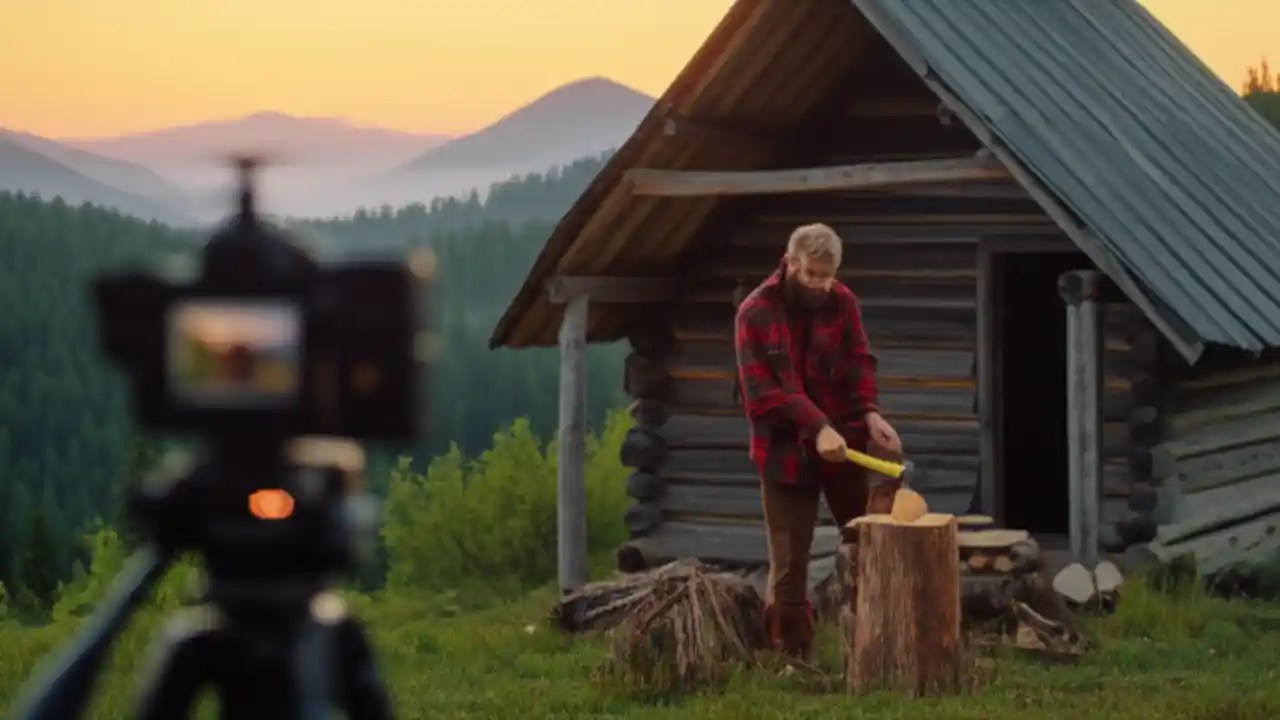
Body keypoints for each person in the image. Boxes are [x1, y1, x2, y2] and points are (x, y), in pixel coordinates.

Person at [733, 222, 902, 660]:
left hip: (843, 444)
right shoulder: (755, 312)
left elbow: (859, 361)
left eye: (827, 276)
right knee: (790, 562)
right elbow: (763, 395)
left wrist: (870, 412)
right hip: (784, 451)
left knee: (867, 541)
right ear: (790, 263)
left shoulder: (842, 302)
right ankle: (791, 655)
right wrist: (817, 425)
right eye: (810, 273)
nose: (819, 284)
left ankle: (877, 642)